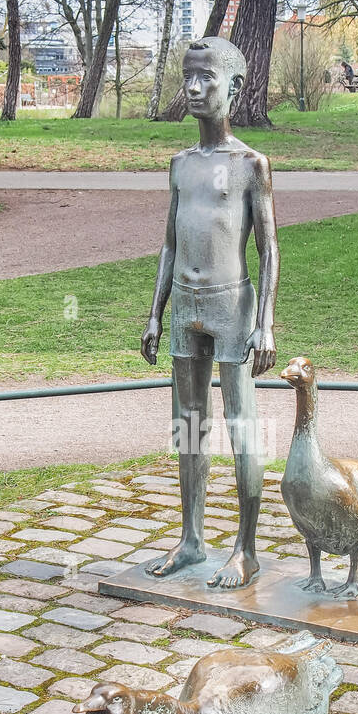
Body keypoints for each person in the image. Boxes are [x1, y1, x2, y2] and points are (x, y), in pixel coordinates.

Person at [140, 36, 278, 589]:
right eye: (188, 78)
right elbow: (169, 243)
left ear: (234, 88)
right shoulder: (179, 164)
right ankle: (192, 538)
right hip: (184, 304)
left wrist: (266, 322)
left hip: (231, 304)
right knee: (190, 428)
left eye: (207, 79)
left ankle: (246, 548)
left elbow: (269, 248)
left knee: (241, 426)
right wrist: (155, 311)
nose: (194, 89)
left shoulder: (250, 165)